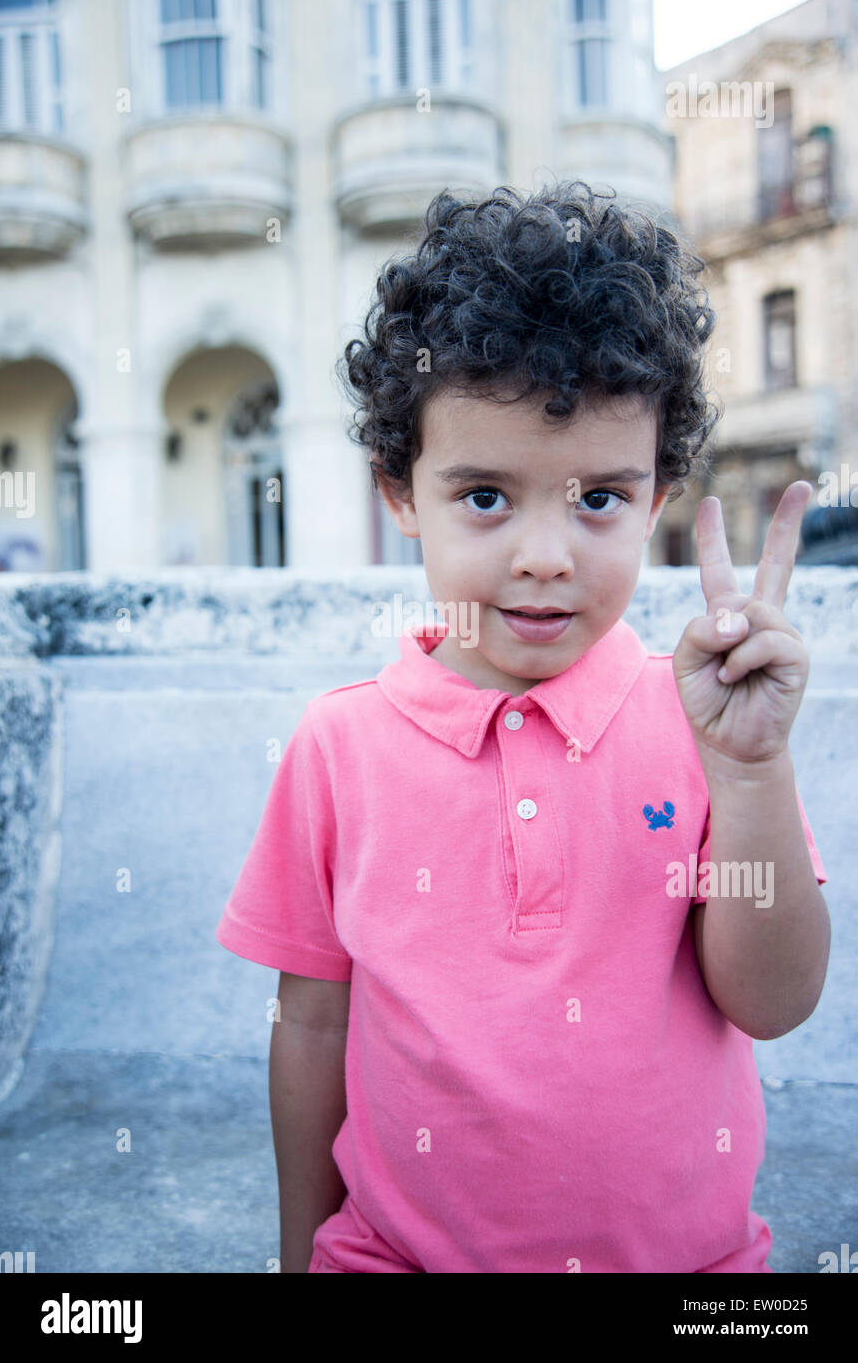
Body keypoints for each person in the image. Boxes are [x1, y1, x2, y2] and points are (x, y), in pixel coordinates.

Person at [216, 181, 830, 1273]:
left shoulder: (705, 726)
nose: (545, 554)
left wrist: (749, 774)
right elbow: (310, 1029)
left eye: (598, 496)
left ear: (658, 499)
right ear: (400, 491)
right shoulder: (337, 748)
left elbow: (775, 1003)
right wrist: (297, 1254)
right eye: (487, 496)